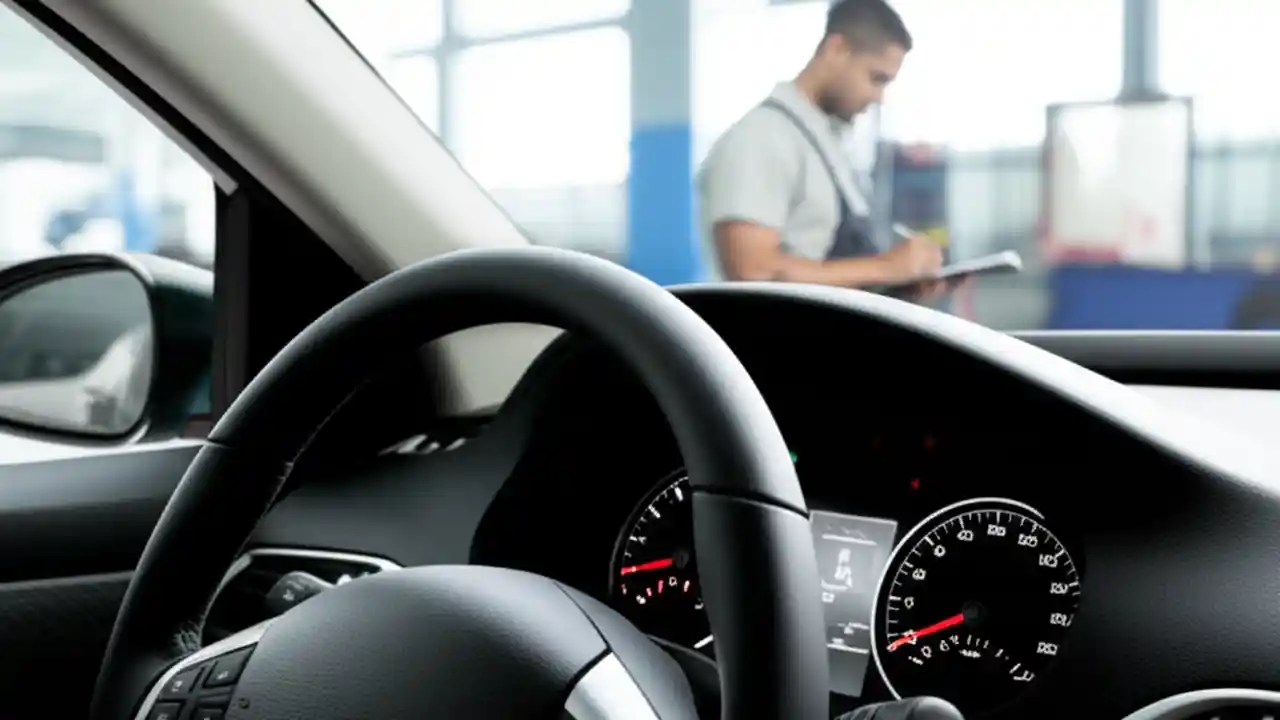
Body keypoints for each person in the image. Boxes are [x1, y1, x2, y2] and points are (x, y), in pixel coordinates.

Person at [698, 0, 945, 295]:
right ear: (836, 49)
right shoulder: (761, 137)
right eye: (876, 78)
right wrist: (887, 267)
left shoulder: (827, 143)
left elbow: (835, 272)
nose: (879, 97)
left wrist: (902, 282)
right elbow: (750, 268)